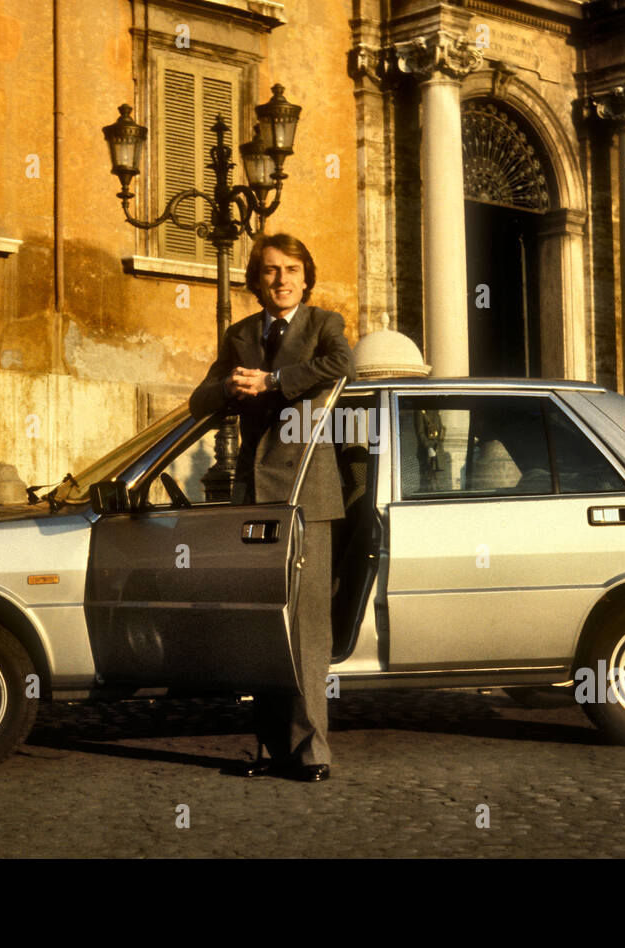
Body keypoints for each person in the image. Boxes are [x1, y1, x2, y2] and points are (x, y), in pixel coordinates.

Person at [189, 233, 352, 782]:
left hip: (308, 493)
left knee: (306, 628)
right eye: (268, 271)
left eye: (290, 269)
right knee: (262, 625)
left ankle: (311, 753)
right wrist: (233, 387)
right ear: (256, 281)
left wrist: (276, 381)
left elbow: (340, 364)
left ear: (306, 277)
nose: (280, 279)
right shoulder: (240, 334)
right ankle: (271, 748)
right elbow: (200, 399)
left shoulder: (324, 325)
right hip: (254, 496)